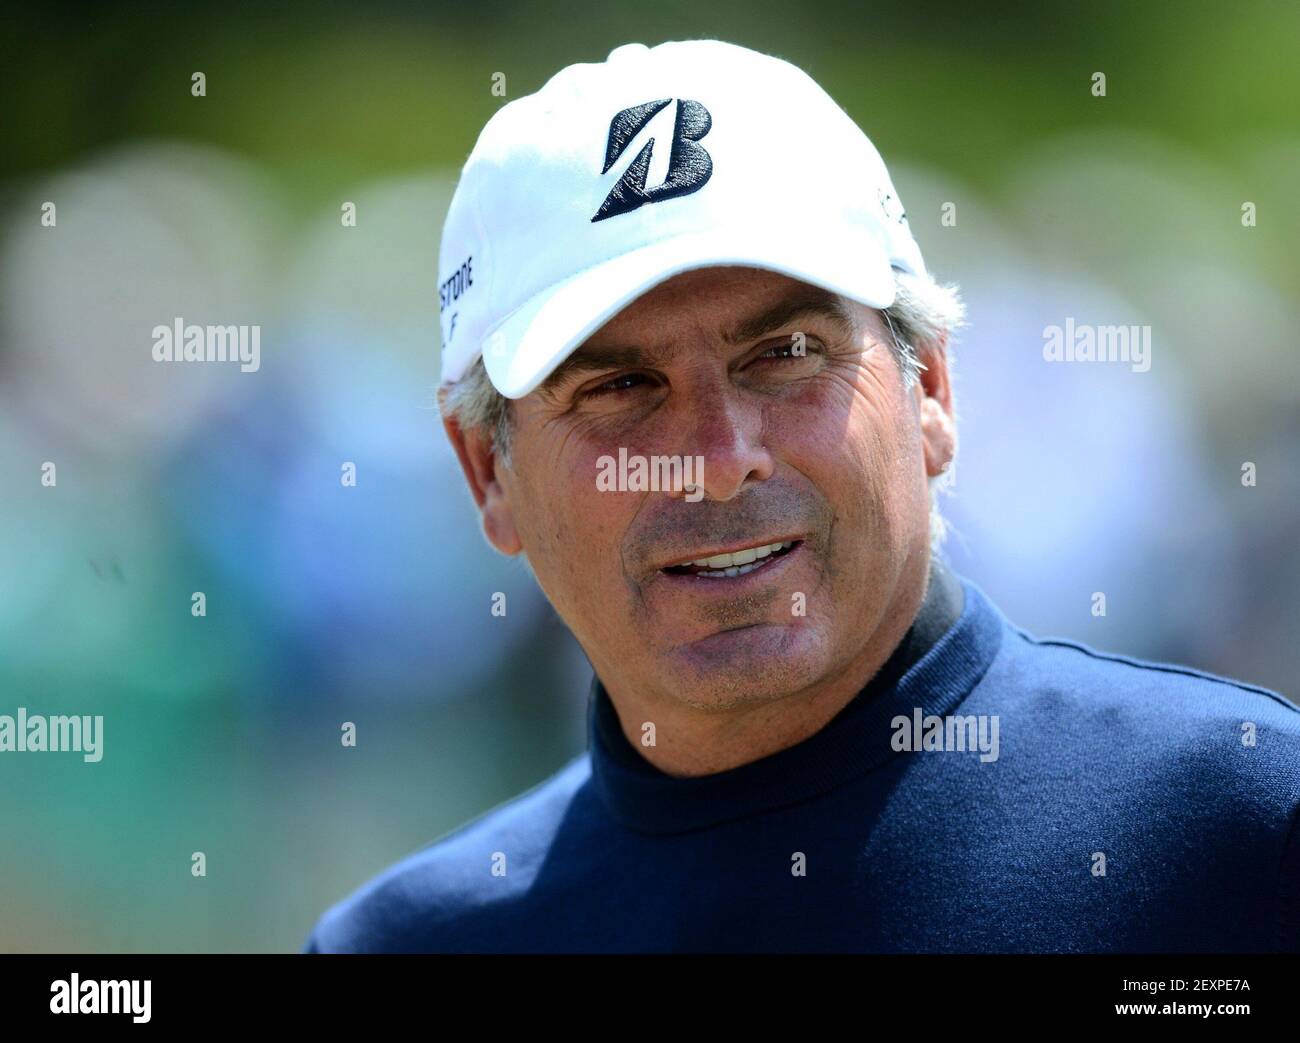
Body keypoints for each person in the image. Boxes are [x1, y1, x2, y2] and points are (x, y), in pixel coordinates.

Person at [303, 40, 1300, 953]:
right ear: (488, 472)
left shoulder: (1247, 831)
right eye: (617, 388)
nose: (716, 457)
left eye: (786, 355)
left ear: (932, 393)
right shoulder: (407, 944)